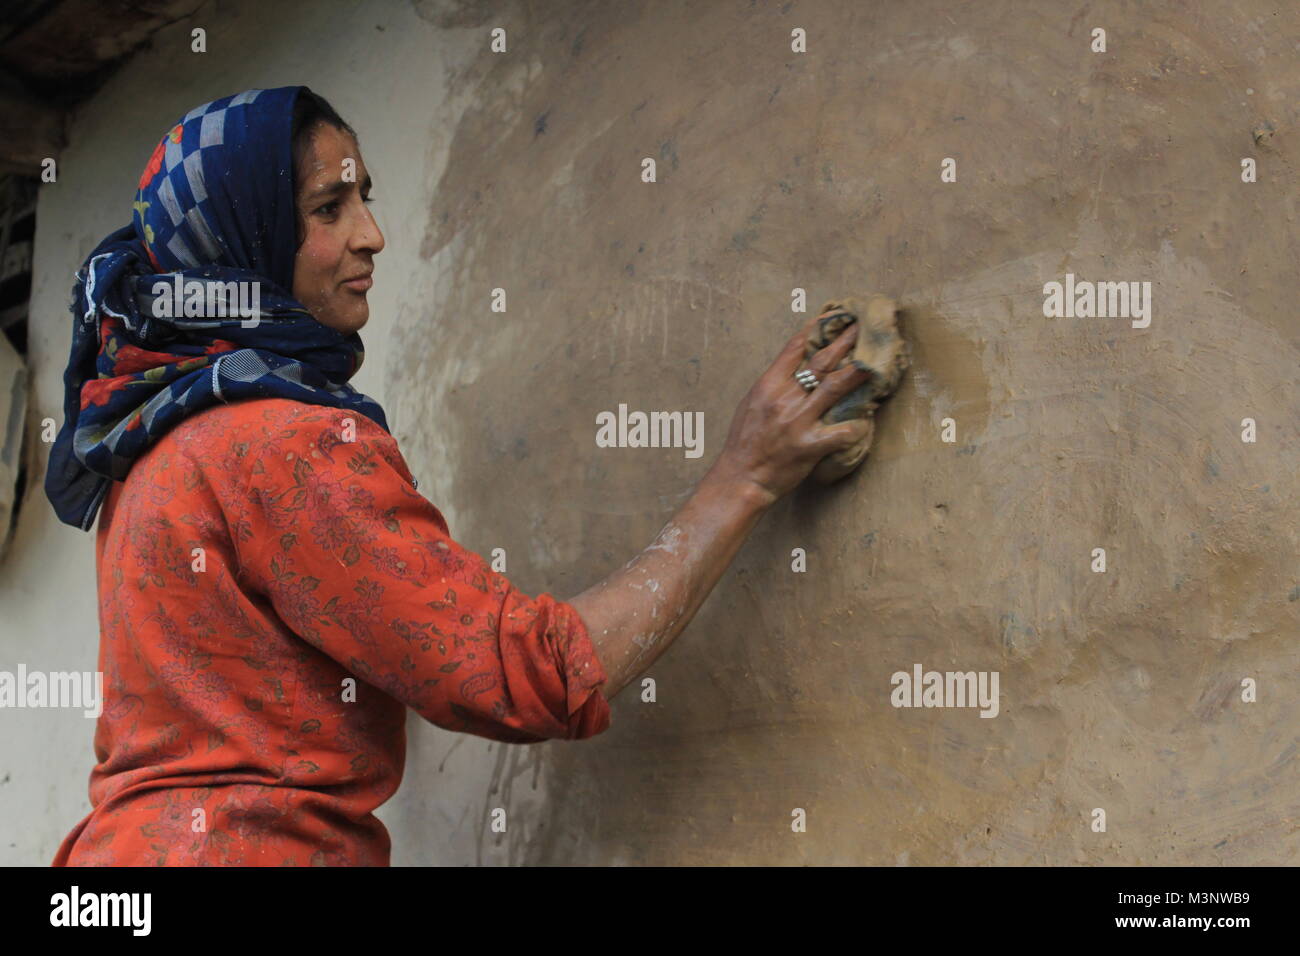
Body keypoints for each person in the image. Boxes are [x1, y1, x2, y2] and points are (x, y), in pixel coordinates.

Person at [46, 86, 873, 866]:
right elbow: (533, 676)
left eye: (364, 196)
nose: (372, 234)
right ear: (245, 234)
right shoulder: (280, 442)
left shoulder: (149, 448)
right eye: (328, 208)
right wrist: (746, 476)